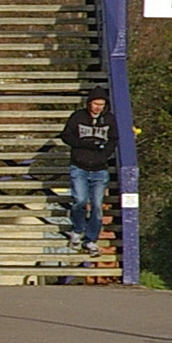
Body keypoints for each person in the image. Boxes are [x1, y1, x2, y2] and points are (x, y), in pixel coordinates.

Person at [60, 89, 115, 255]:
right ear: (89, 103)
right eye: (96, 103)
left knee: (97, 206)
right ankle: (77, 230)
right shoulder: (78, 117)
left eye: (101, 104)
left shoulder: (109, 119)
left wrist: (105, 154)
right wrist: (84, 145)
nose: (98, 107)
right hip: (79, 167)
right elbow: (66, 136)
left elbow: (114, 139)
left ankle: (90, 239)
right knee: (79, 200)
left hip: (100, 169)